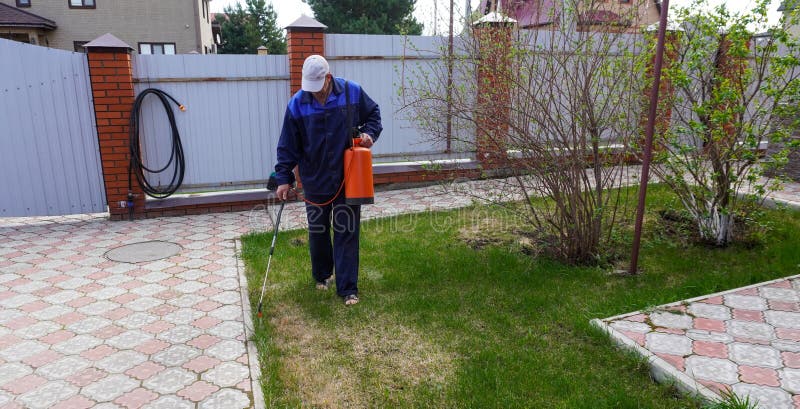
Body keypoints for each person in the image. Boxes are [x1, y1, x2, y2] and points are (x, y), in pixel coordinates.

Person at [273, 55, 382, 306]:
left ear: (328, 78)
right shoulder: (297, 104)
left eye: (318, 88)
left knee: (346, 231)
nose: (314, 94)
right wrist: (283, 178)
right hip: (314, 178)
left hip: (348, 176)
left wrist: (369, 134)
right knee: (319, 231)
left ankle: (348, 289)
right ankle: (322, 275)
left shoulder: (351, 93)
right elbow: (288, 144)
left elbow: (374, 115)